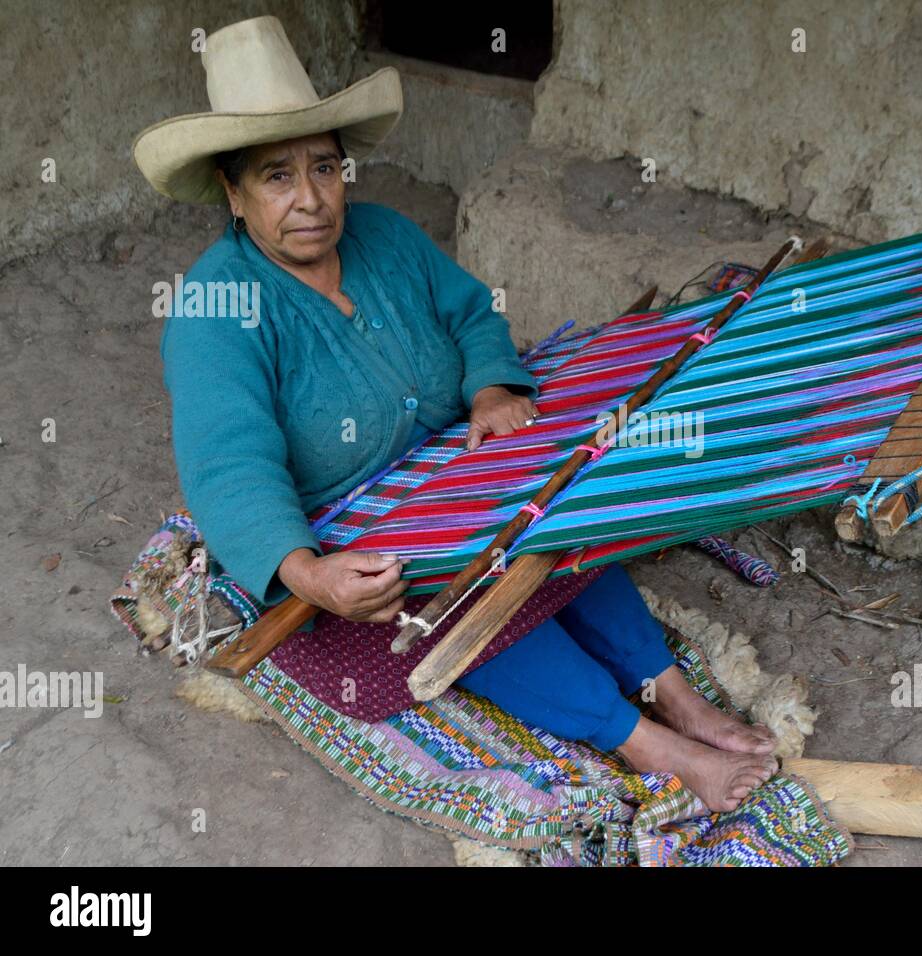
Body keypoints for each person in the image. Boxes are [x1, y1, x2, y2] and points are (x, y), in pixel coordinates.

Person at [133, 16, 777, 811]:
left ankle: (672, 690)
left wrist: (491, 390)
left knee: (558, 510)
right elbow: (229, 463)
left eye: (326, 167)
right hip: (352, 531)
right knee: (462, 595)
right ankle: (645, 741)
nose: (311, 199)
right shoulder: (214, 309)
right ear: (231, 192)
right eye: (275, 176)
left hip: (458, 469)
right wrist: (309, 574)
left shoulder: (388, 238)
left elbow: (474, 316)